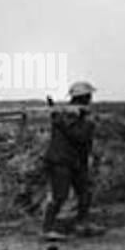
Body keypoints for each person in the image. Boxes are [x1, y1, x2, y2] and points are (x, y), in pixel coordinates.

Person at [43, 81, 99, 240]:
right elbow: (79, 136)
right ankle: (47, 229)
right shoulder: (67, 115)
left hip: (75, 160)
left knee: (84, 192)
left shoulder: (72, 114)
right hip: (61, 161)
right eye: (88, 96)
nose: (90, 99)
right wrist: (88, 123)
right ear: (83, 97)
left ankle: (81, 222)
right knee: (59, 195)